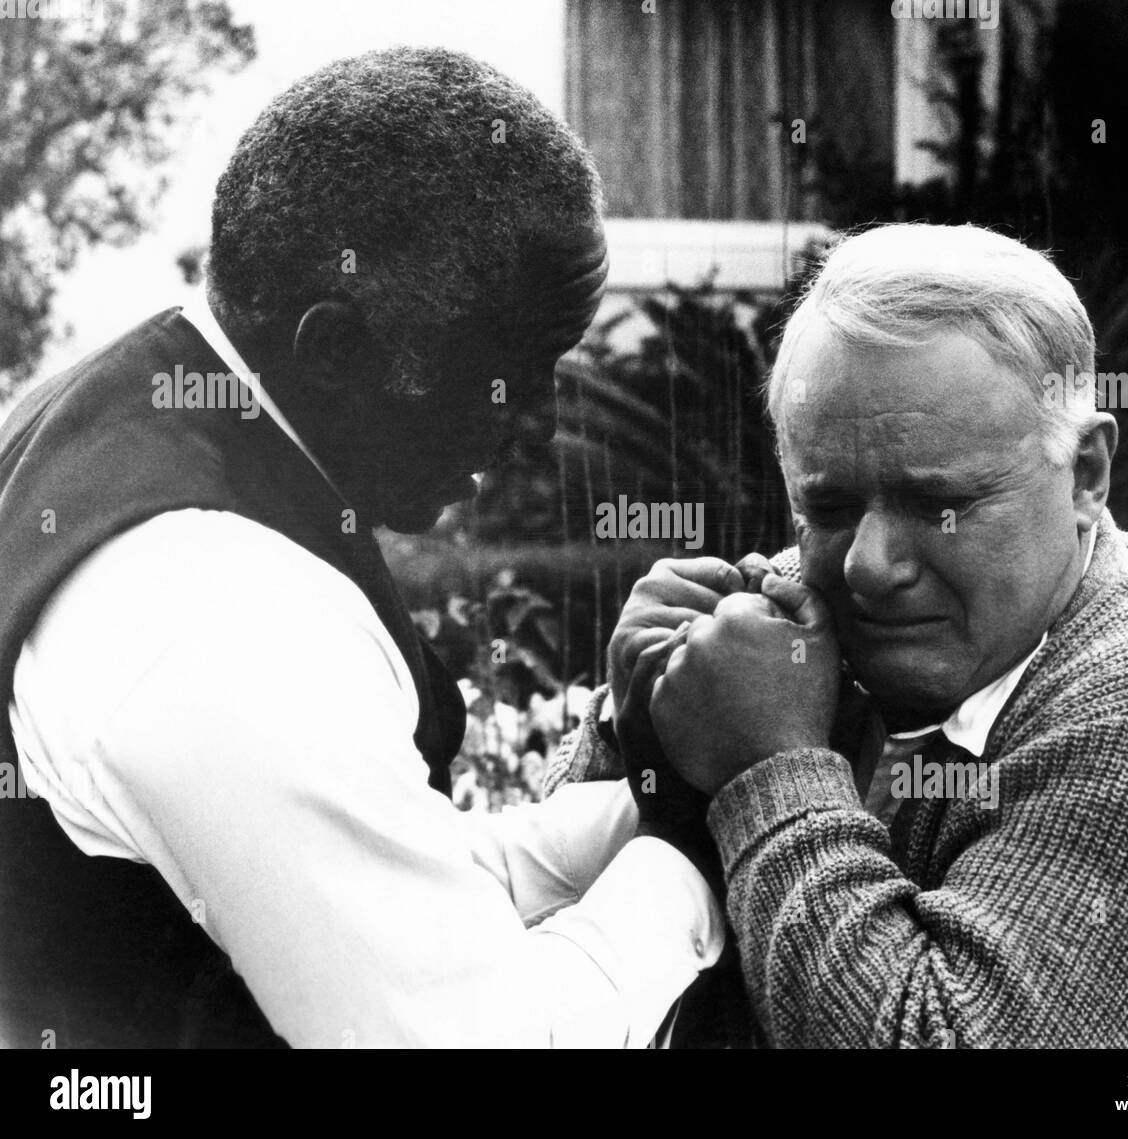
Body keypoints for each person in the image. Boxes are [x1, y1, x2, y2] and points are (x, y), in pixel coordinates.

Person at [0, 46, 723, 1049]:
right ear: (334, 349)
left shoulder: (107, 424)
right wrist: (700, 845)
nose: (543, 421)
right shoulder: (222, 610)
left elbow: (365, 872)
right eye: (507, 372)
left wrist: (664, 799)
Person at [553, 223, 1128, 1048]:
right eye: (830, 508)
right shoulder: (806, 634)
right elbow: (529, 972)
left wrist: (769, 773)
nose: (871, 565)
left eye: (938, 505)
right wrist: (638, 750)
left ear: (1085, 474)